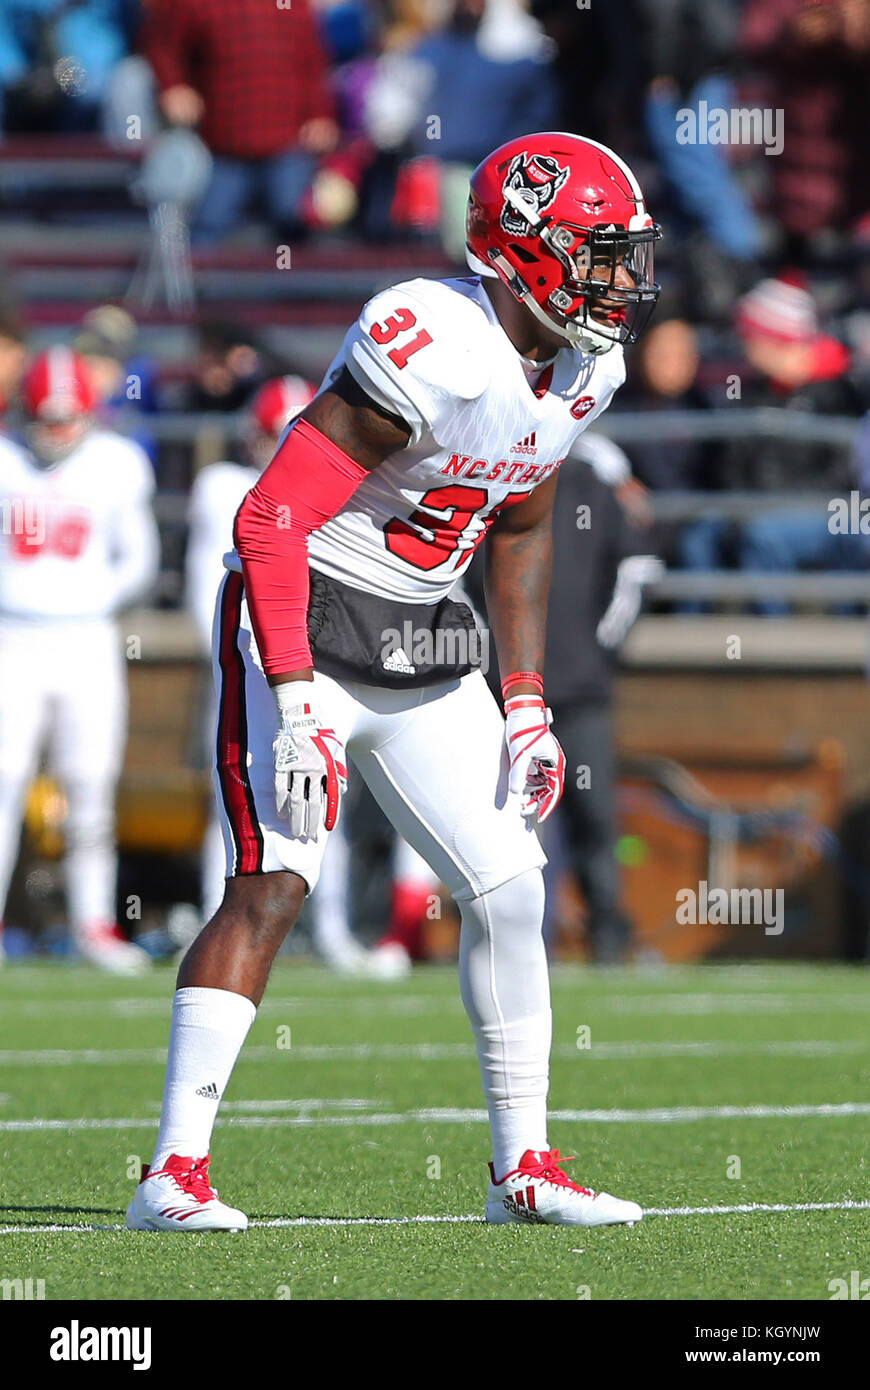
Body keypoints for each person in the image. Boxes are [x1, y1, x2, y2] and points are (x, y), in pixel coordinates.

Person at [126, 132, 661, 1233]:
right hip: (306, 610)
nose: (622, 279)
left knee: (512, 887)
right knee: (277, 880)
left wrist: (526, 704)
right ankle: (170, 1174)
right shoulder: (435, 339)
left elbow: (516, 519)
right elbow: (269, 517)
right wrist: (296, 697)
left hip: (424, 631)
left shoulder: (585, 367)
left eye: (626, 254)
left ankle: (523, 1170)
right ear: (524, 252)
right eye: (599, 254)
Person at [0, 347, 159, 971]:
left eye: (68, 417)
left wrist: (91, 600)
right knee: (4, 783)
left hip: (88, 640)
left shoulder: (116, 465)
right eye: (46, 417)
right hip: (13, 637)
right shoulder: (6, 460)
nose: (58, 431)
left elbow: (138, 559)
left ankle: (94, 923)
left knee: (91, 786)